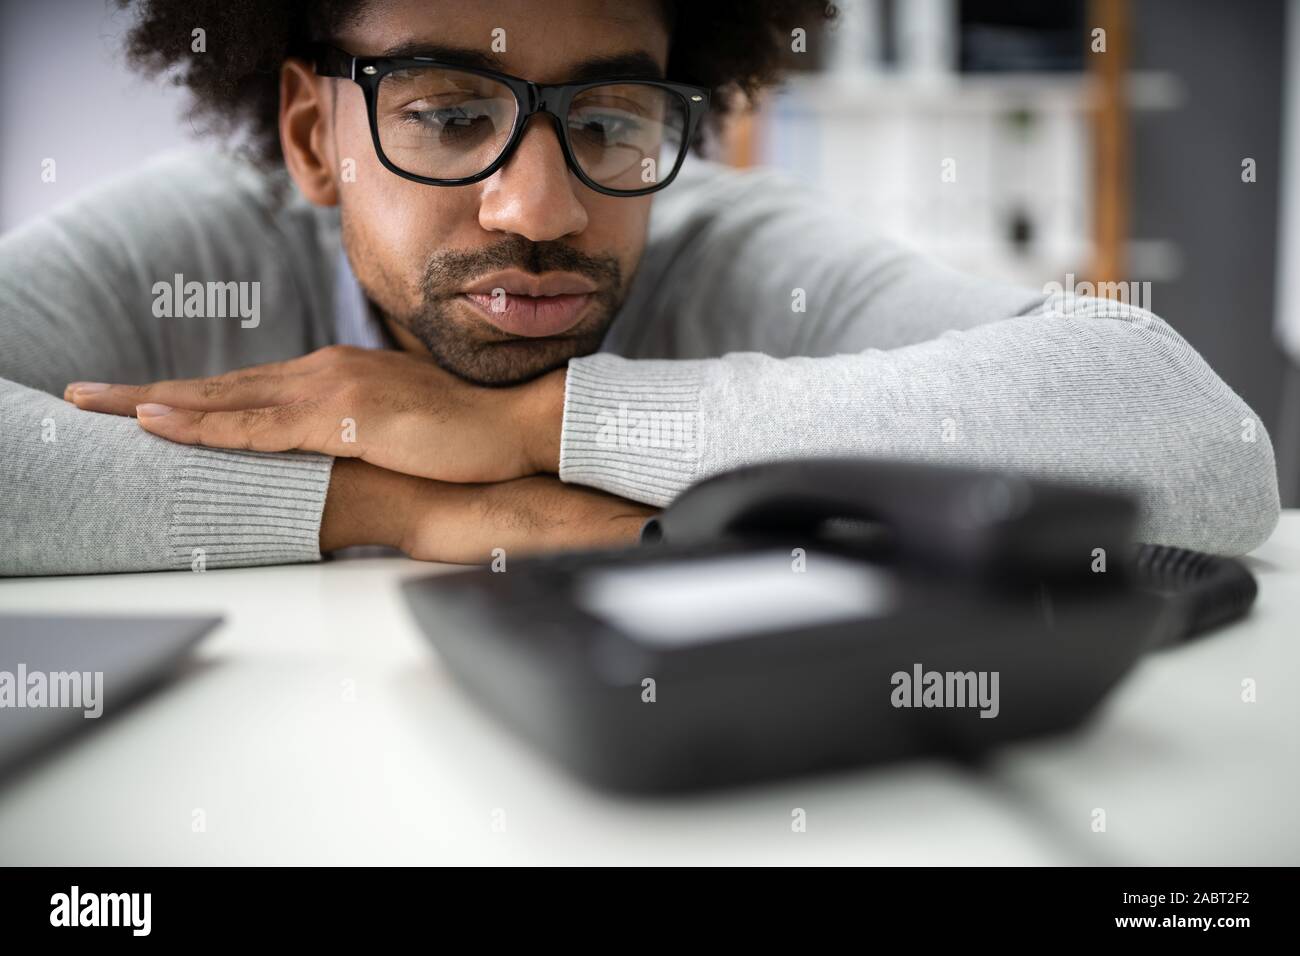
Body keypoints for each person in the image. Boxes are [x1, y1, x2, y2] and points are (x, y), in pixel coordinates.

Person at [0, 0, 1279, 575]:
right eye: (450, 116)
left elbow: (1199, 439)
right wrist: (387, 500)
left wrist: (525, 427)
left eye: (610, 122)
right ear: (310, 135)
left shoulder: (735, 250)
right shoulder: (180, 255)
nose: (543, 209)